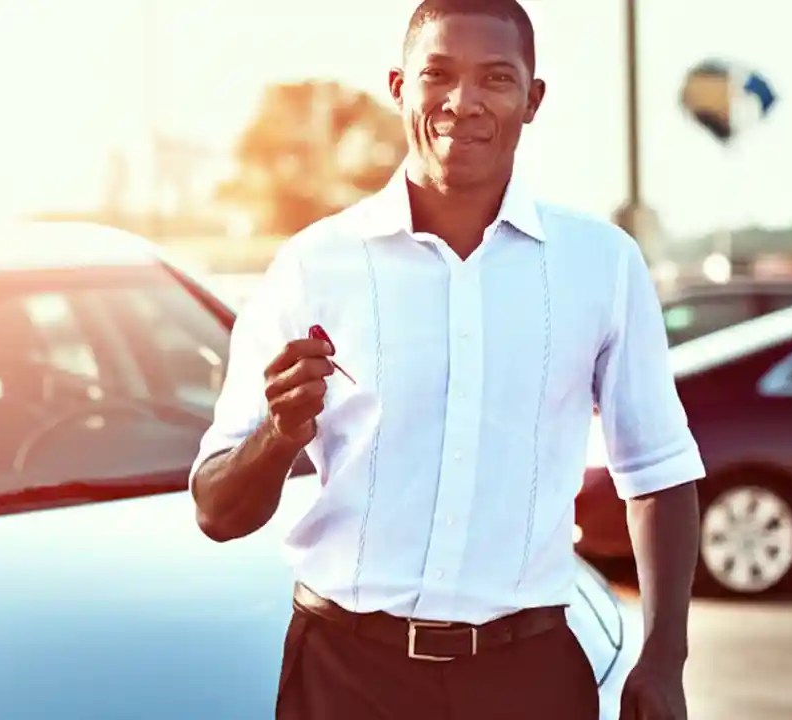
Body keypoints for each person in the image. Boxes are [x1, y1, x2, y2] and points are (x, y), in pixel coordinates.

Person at [189, 1, 703, 718]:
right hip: (344, 676)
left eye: (496, 78)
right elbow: (216, 510)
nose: (463, 102)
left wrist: (665, 657)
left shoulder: (603, 265)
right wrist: (279, 435)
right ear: (399, 87)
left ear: (533, 98)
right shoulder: (312, 266)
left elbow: (658, 473)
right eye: (439, 74)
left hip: (528, 678)